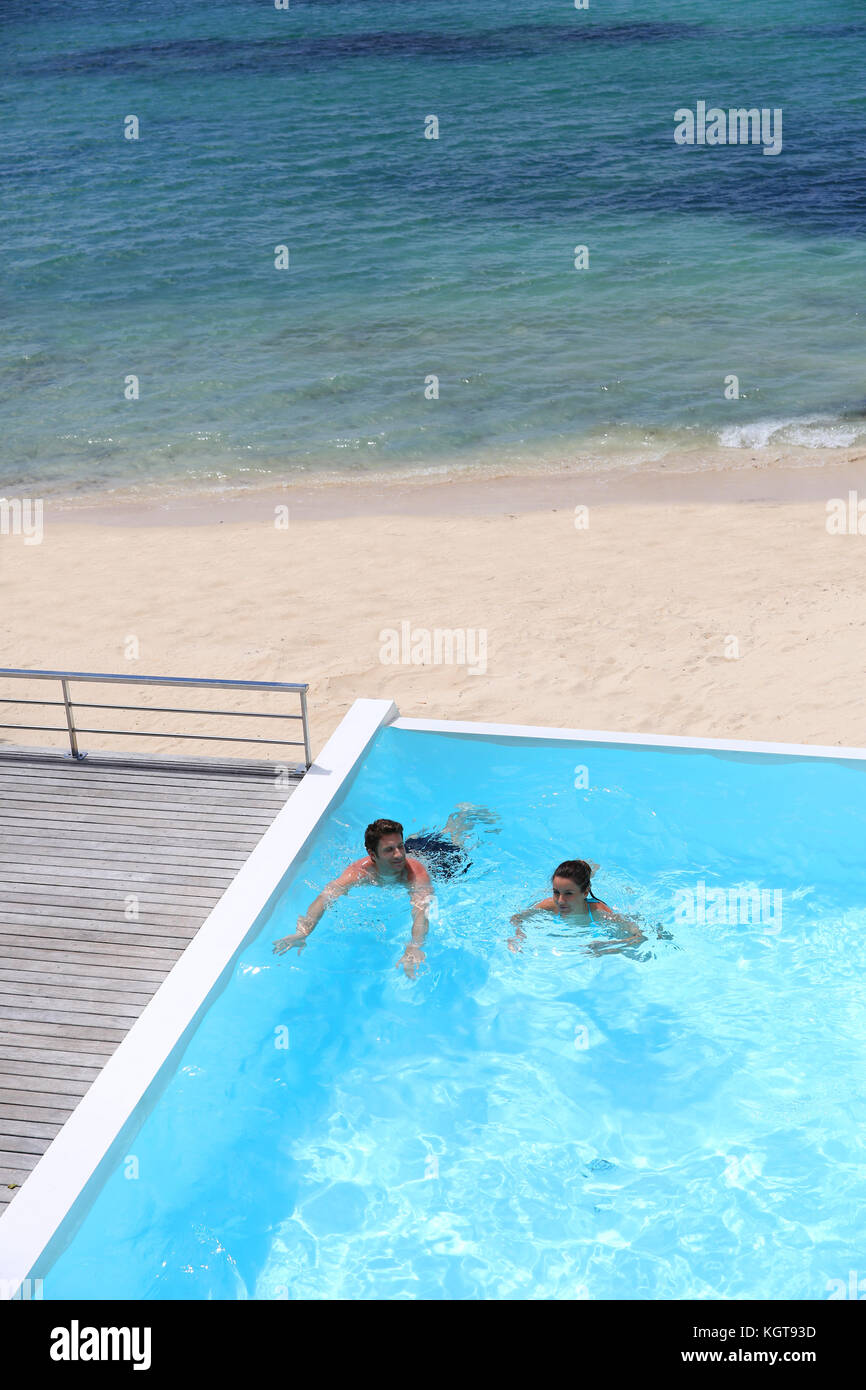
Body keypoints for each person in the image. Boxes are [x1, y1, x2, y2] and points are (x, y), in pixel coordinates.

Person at [272, 808, 494, 978]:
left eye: (400, 846)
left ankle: (462, 818)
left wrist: (414, 945)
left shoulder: (415, 873)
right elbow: (324, 898)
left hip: (435, 859)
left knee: (455, 846)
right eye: (389, 849)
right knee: (433, 837)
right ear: (372, 854)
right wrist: (303, 932)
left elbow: (421, 913)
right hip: (416, 847)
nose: (399, 855)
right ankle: (443, 829)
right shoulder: (359, 872)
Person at [507, 858, 645, 955]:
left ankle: (589, 870)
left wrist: (609, 947)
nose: (560, 901)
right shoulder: (550, 905)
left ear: (585, 893)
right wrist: (518, 935)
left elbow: (639, 937)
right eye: (556, 892)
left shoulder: (599, 912)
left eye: (568, 894)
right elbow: (517, 918)